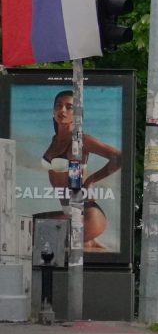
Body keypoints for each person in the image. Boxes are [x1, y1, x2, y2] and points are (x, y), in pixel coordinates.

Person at [37, 90, 122, 250]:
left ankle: (88, 239)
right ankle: (90, 242)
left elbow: (119, 157)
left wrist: (91, 180)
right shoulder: (54, 140)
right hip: (69, 212)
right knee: (28, 228)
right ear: (53, 111)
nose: (62, 110)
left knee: (43, 243)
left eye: (69, 107)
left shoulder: (81, 140)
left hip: (87, 213)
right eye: (58, 106)